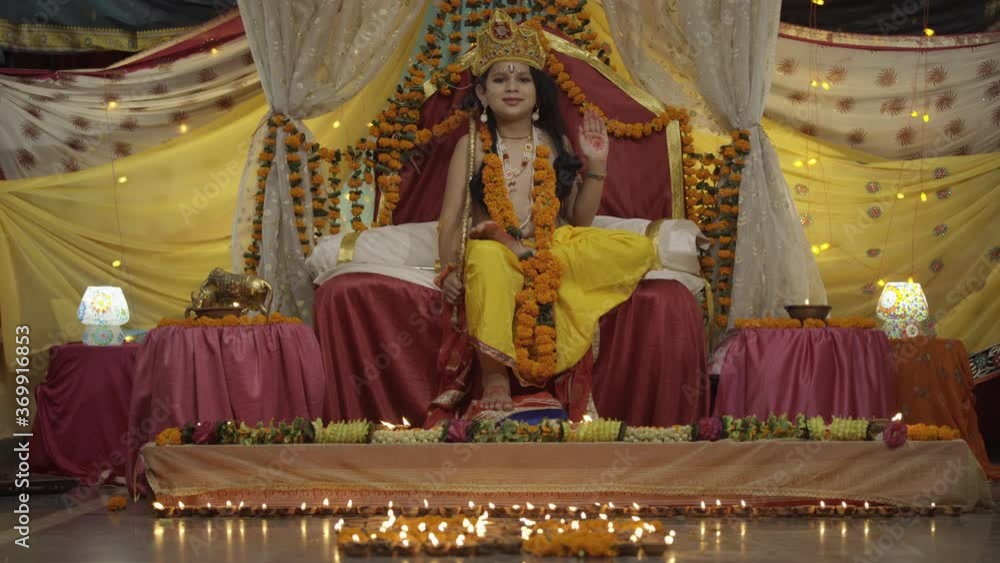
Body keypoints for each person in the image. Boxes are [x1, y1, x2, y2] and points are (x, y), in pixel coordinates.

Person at [436, 10, 657, 413]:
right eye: (500, 80)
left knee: (636, 249)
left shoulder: (554, 144)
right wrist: (450, 270)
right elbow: (451, 218)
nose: (512, 88)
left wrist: (597, 165)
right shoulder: (473, 147)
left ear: (538, 92)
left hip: (551, 243)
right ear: (483, 95)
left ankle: (560, 294)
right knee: (485, 261)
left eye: (523, 79)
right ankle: (496, 379)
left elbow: (580, 220)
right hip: (498, 247)